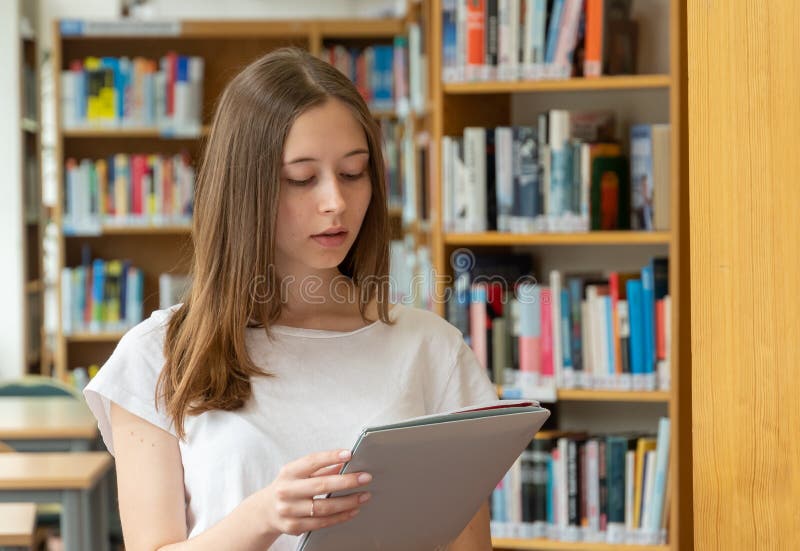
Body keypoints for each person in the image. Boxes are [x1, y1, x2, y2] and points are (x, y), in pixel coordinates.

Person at [84, 47, 497, 551]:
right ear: (244, 190)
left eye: (353, 173)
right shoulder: (158, 356)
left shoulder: (432, 349)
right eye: (301, 179)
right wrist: (263, 516)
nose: (336, 202)